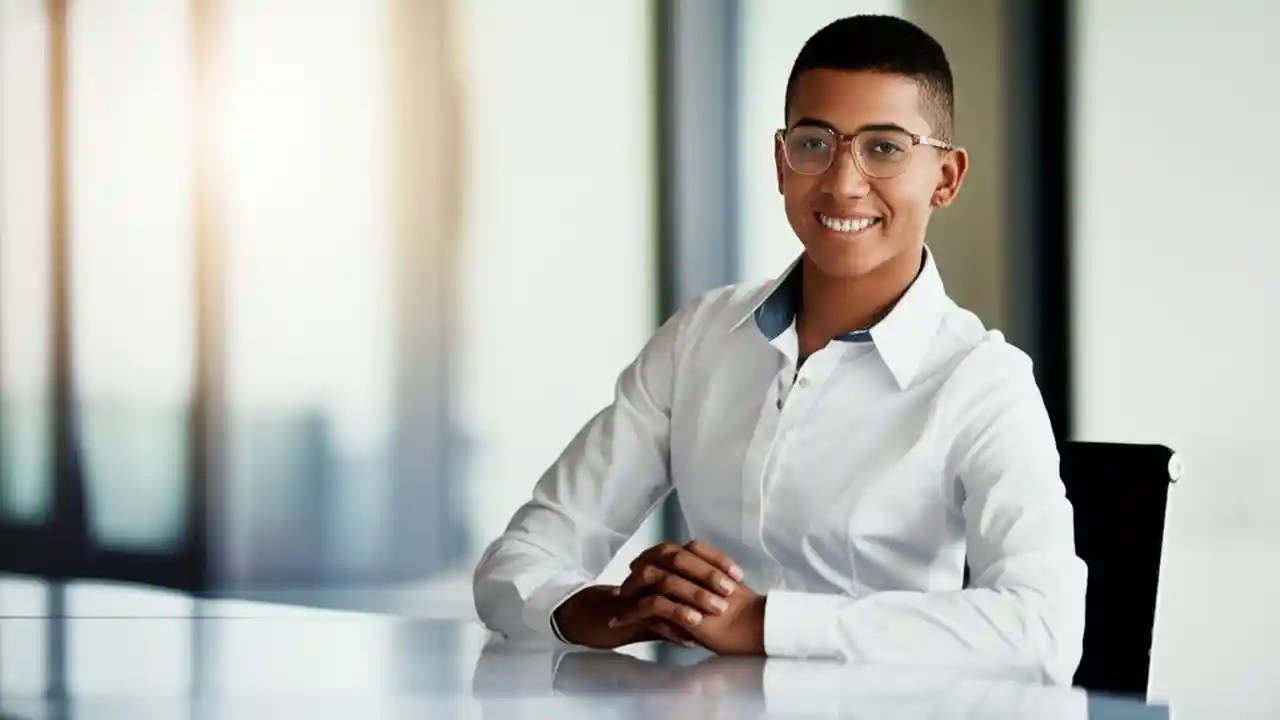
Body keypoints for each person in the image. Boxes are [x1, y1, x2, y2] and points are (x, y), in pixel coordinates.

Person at [473, 14, 1086, 685]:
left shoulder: (982, 381)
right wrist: (607, 610)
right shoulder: (701, 339)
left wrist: (763, 623)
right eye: (814, 143)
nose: (844, 182)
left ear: (945, 177)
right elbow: (515, 565)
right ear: (780, 162)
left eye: (884, 148)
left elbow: (1044, 629)